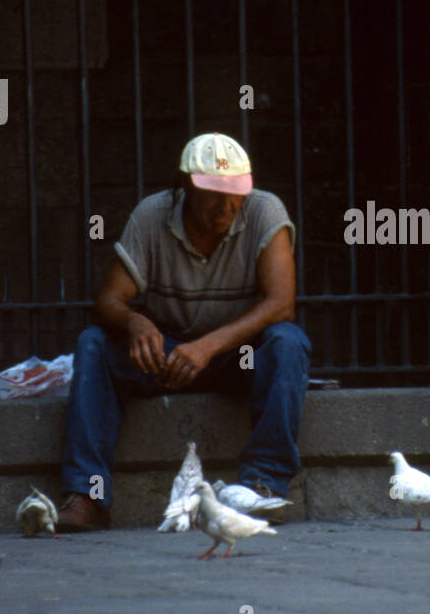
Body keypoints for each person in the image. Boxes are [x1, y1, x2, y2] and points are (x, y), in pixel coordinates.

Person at [56, 132, 310, 531]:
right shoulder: (151, 215)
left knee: (288, 343)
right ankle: (88, 494)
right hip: (166, 356)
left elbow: (282, 304)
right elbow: (108, 300)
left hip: (235, 355)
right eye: (213, 194)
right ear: (185, 187)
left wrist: (207, 347)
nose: (226, 206)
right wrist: (135, 321)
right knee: (94, 345)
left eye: (235, 193)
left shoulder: (265, 211)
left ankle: (262, 488)